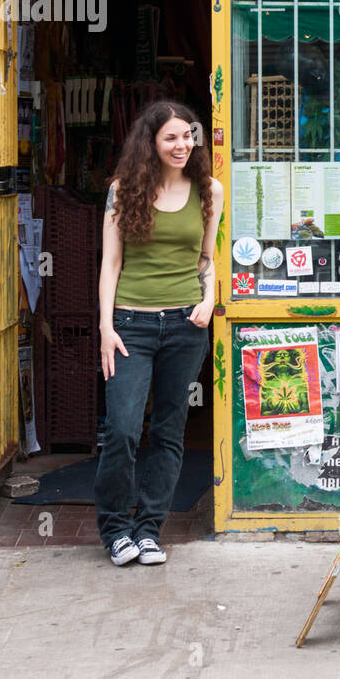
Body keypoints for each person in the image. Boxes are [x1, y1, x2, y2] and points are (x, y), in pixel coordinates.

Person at [97, 101, 223, 567]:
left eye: (187, 136)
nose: (181, 145)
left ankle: (148, 529)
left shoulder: (210, 190)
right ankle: (115, 530)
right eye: (170, 138)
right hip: (131, 325)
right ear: (150, 142)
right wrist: (106, 328)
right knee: (124, 430)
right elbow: (111, 264)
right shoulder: (123, 190)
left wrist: (209, 299)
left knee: (170, 431)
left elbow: (206, 257)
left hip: (185, 326)